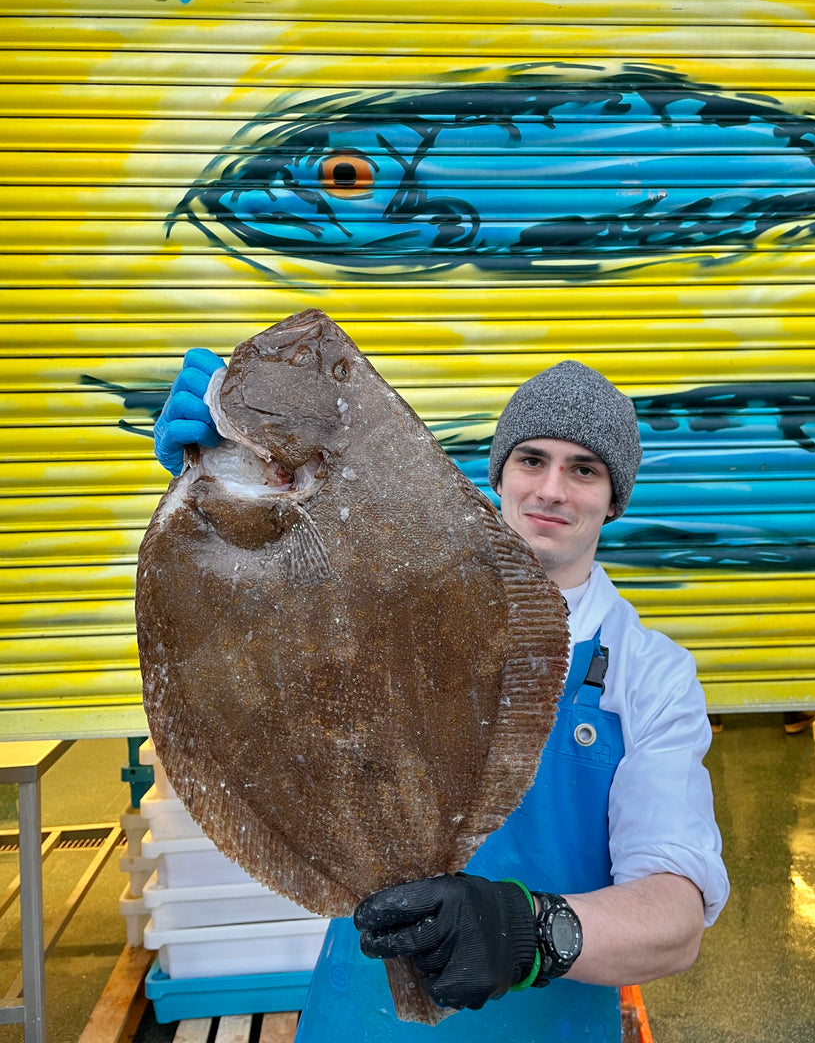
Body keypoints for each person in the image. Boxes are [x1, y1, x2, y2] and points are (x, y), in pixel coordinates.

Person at [154, 353, 729, 1042]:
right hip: (360, 1014)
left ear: (614, 498)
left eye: (584, 469)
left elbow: (676, 920)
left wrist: (529, 932)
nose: (551, 488)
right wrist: (219, 490)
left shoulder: (651, 671)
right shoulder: (386, 603)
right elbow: (253, 630)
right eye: (531, 460)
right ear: (499, 476)